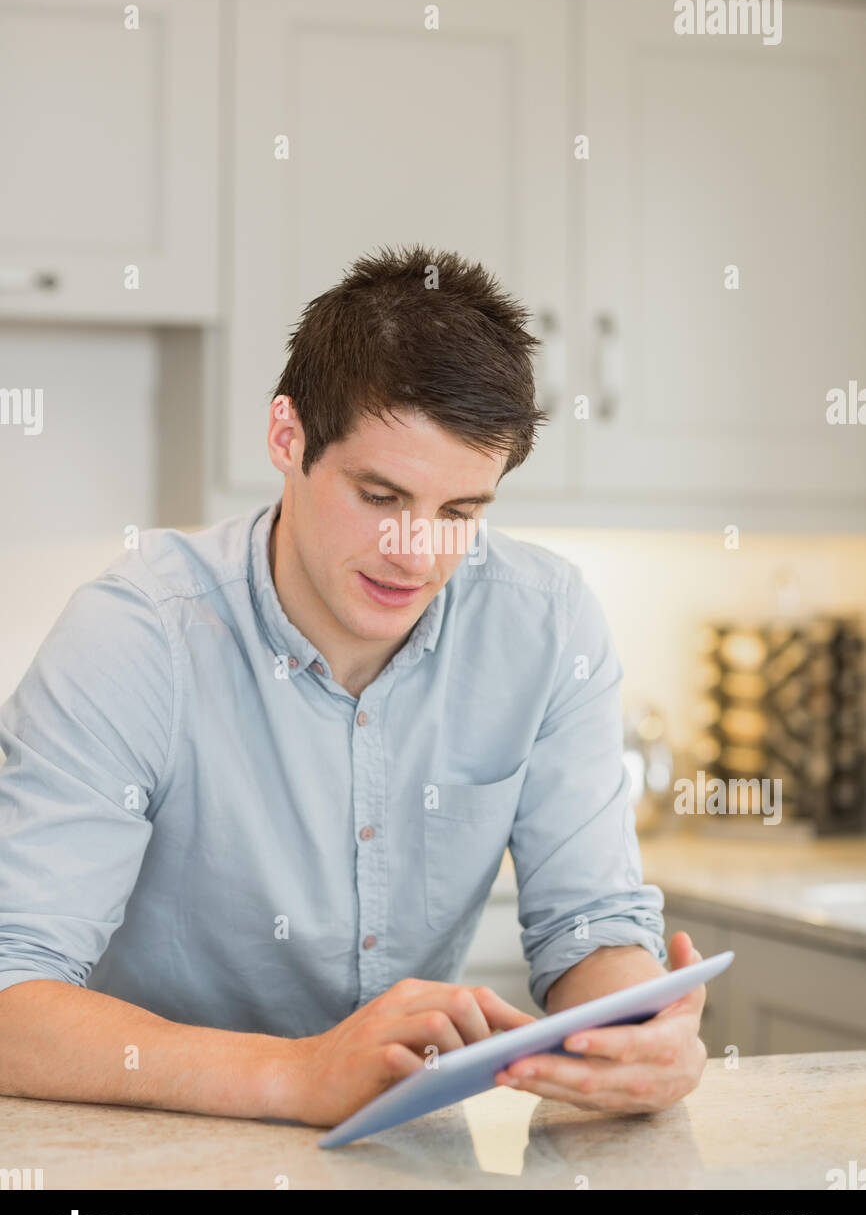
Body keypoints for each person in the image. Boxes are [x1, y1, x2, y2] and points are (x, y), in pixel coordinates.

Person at [0, 245, 706, 1128]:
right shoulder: (139, 636)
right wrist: (297, 1075)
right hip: (151, 1148)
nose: (418, 554)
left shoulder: (545, 624)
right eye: (381, 496)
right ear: (287, 436)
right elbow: (10, 997)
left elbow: (590, 928)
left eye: (460, 514)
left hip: (403, 1155)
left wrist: (636, 1027)